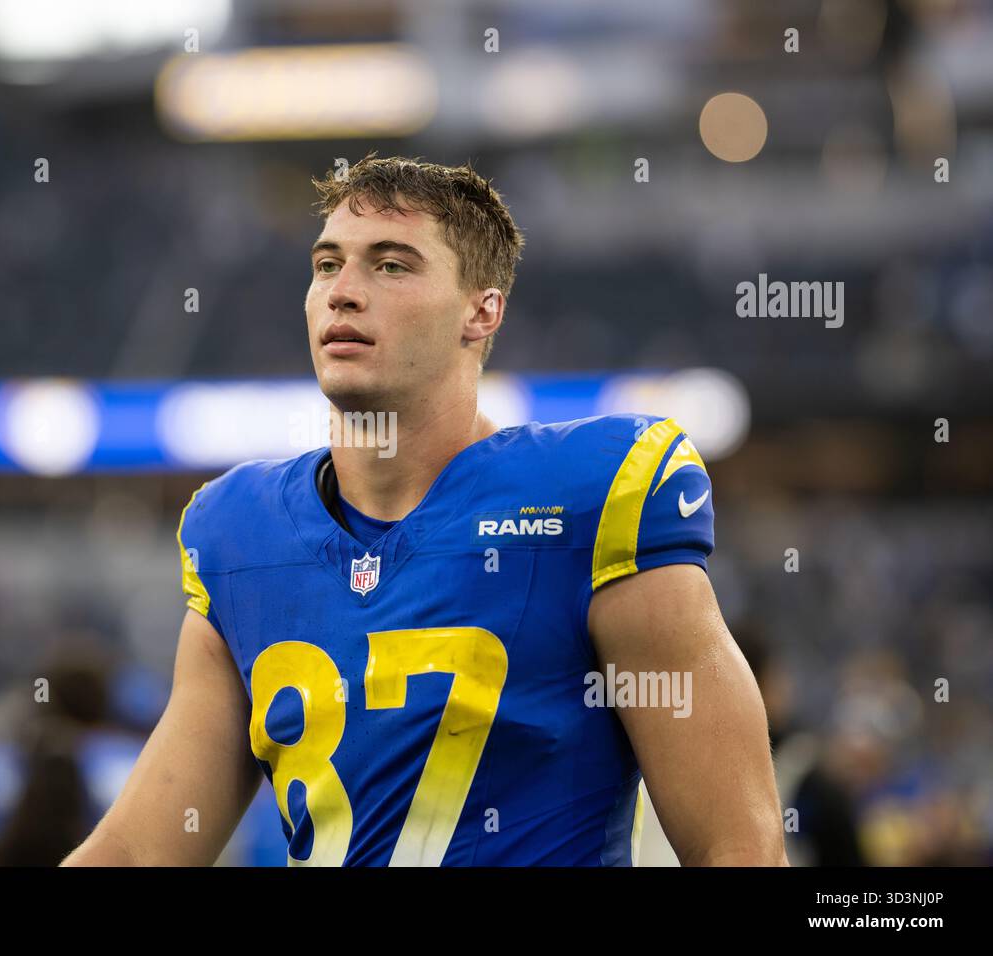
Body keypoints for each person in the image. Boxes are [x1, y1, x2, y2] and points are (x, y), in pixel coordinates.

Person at [64, 154, 786, 866]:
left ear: (482, 309)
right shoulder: (239, 535)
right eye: (326, 265)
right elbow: (137, 850)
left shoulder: (595, 497)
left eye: (391, 265)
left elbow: (739, 848)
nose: (343, 292)